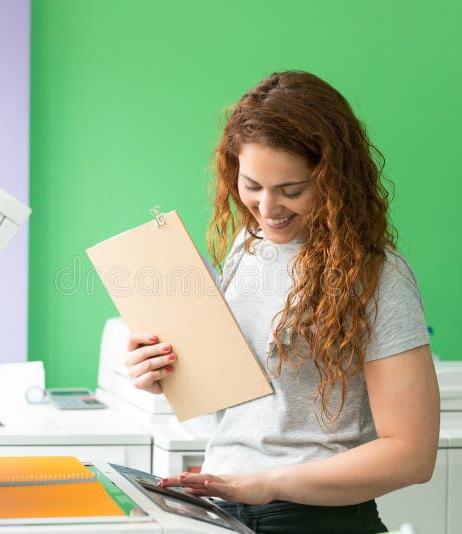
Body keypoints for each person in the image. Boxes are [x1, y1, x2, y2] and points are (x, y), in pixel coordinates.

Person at [124, 71, 439, 534]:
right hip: (224, 508)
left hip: (313, 519)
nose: (267, 208)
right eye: (252, 185)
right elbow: (248, 407)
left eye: (291, 191)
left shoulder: (378, 276)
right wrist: (164, 373)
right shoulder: (247, 249)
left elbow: (412, 454)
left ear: (335, 180)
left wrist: (270, 483)